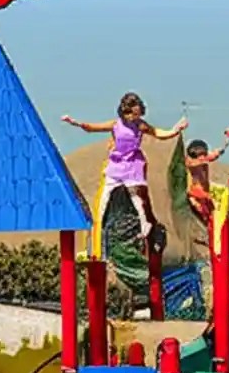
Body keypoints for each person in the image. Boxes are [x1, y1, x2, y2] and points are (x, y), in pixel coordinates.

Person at [62, 92, 187, 253]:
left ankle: (145, 224)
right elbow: (92, 128)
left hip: (132, 163)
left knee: (137, 195)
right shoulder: (116, 124)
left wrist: (175, 129)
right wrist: (75, 123)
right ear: (125, 112)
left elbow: (159, 133)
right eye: (133, 115)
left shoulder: (140, 125)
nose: (135, 118)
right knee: (105, 196)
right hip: (116, 164)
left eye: (137, 115)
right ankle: (96, 228)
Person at [185, 129, 229, 221]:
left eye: (204, 154)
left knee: (224, 191)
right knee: (204, 207)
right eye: (200, 155)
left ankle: (221, 216)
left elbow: (217, 153)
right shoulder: (190, 162)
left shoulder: (203, 160)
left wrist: (227, 140)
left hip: (205, 189)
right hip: (194, 192)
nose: (203, 157)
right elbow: (193, 163)